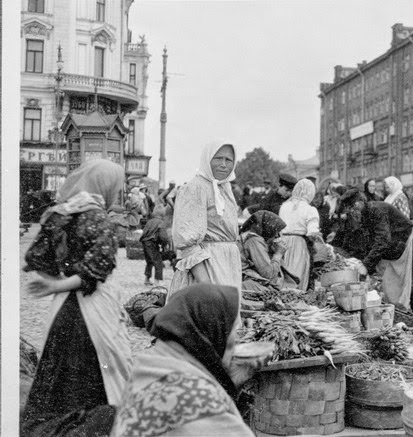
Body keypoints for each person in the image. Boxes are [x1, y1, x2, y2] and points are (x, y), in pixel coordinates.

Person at [22, 159, 132, 437]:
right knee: (99, 369)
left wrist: (56, 282)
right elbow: (95, 271)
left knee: (60, 371)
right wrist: (58, 287)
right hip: (93, 309)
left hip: (64, 311)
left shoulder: (60, 213)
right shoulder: (98, 218)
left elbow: (35, 257)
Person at [111, 284, 274, 437]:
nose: (234, 344)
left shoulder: (150, 364)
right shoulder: (198, 401)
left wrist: (230, 380)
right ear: (210, 335)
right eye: (230, 339)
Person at [338, 188, 413, 324]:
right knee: (395, 287)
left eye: (353, 208)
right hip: (399, 247)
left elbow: (383, 240)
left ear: (360, 203)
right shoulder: (365, 216)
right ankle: (407, 320)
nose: (352, 212)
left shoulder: (377, 210)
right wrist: (364, 262)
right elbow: (369, 242)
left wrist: (366, 265)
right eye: (350, 209)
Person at [170, 143, 242, 297]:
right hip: (207, 267)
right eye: (218, 158)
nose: (223, 164)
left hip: (227, 266)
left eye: (229, 160)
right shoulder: (196, 188)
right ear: (207, 159)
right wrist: (206, 285)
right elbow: (188, 243)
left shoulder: (225, 189)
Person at [278, 178, 322, 291]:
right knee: (297, 276)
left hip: (283, 243)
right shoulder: (310, 209)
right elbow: (312, 232)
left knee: (284, 275)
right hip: (299, 245)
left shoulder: (284, 206)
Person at [239, 211, 289, 292]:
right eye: (276, 231)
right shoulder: (254, 241)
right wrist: (278, 254)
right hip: (245, 281)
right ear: (268, 228)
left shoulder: (254, 238)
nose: (276, 236)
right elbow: (268, 275)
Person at [141, 205, 169, 286]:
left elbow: (144, 233)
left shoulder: (149, 221)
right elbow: (163, 237)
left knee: (149, 261)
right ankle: (157, 281)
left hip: (145, 243)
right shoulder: (161, 223)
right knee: (158, 262)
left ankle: (147, 278)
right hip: (152, 243)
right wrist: (164, 244)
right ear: (163, 214)